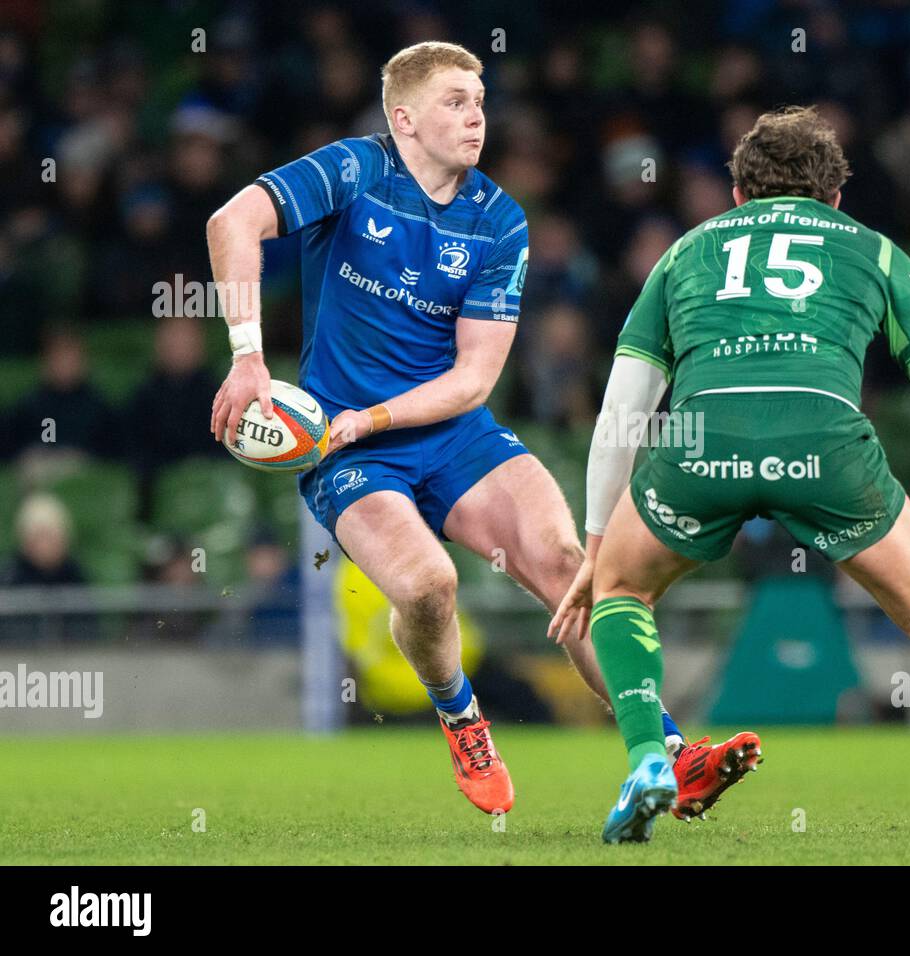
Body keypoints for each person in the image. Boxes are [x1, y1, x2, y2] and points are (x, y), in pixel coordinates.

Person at [550, 106, 910, 845]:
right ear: (836, 198)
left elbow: (623, 408)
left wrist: (595, 549)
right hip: (825, 443)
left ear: (737, 195)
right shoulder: (876, 252)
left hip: (703, 439)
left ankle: (645, 762)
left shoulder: (684, 251)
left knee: (623, 591)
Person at [205, 41, 732, 816]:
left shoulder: (498, 219)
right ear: (405, 118)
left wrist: (373, 417)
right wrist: (248, 358)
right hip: (349, 457)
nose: (475, 115)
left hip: (447, 430)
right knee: (429, 588)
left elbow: (475, 378)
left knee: (570, 568)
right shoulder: (355, 169)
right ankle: (461, 716)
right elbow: (233, 220)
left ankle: (672, 755)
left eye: (480, 101)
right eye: (455, 101)